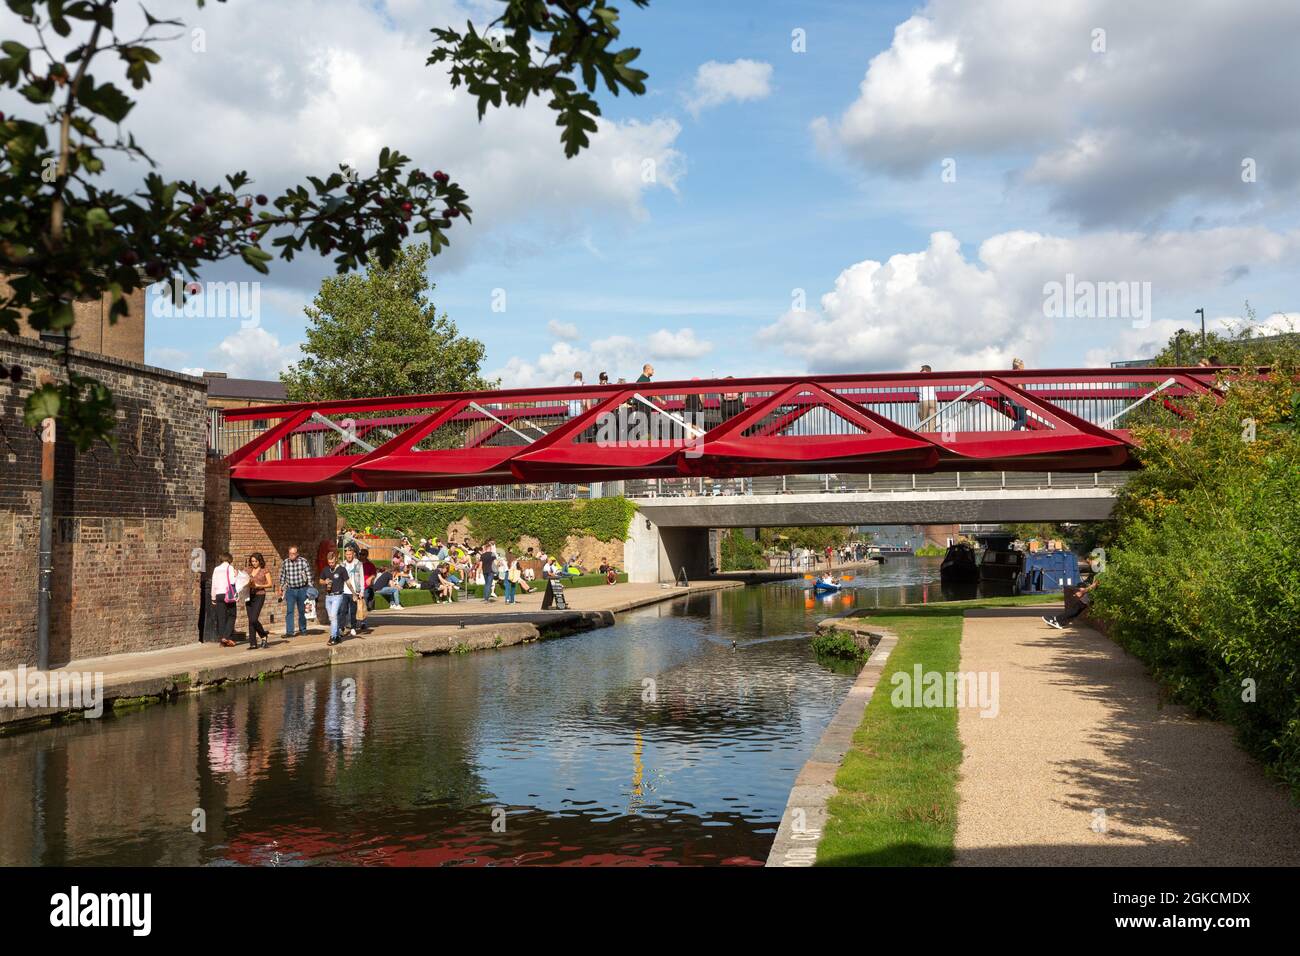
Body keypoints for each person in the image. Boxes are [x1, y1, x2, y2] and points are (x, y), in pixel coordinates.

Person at [278, 544, 313, 639]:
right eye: (290, 553)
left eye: (293, 553)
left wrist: (310, 589)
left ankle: (303, 629)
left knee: (302, 610)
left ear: (297, 554)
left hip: (302, 589)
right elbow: (282, 577)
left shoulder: (303, 562)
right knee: (289, 611)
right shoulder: (285, 562)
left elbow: (309, 576)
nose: (291, 555)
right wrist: (281, 588)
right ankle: (289, 632)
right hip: (290, 590)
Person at [319, 550, 353, 645]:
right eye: (329, 562)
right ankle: (337, 635)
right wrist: (325, 582)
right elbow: (320, 581)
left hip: (338, 596)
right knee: (332, 618)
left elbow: (348, 582)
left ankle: (333, 637)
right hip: (328, 597)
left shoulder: (342, 569)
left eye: (333, 562)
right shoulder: (325, 569)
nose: (331, 564)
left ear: (336, 560)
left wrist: (354, 593)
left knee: (333, 616)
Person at [210, 552, 239, 647]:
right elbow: (233, 582)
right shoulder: (230, 568)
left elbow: (213, 584)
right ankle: (226, 636)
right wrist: (236, 575)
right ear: (230, 559)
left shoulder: (216, 569)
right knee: (232, 615)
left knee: (221, 617)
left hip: (219, 595)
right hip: (228, 594)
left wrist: (213, 598)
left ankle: (223, 641)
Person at [244, 553, 273, 649]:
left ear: (260, 561)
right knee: (250, 620)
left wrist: (259, 585)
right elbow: (242, 579)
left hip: (259, 595)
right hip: (248, 595)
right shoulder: (248, 570)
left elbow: (269, 584)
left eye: (256, 561)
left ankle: (263, 635)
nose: (254, 563)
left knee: (253, 619)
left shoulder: (265, 570)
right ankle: (253, 643)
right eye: (252, 561)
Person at [916, 364, 938, 432]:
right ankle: (930, 436)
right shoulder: (933, 378)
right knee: (932, 420)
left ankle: (923, 435)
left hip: (924, 400)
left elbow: (917, 392)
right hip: (933, 400)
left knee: (923, 421)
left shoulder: (918, 379)